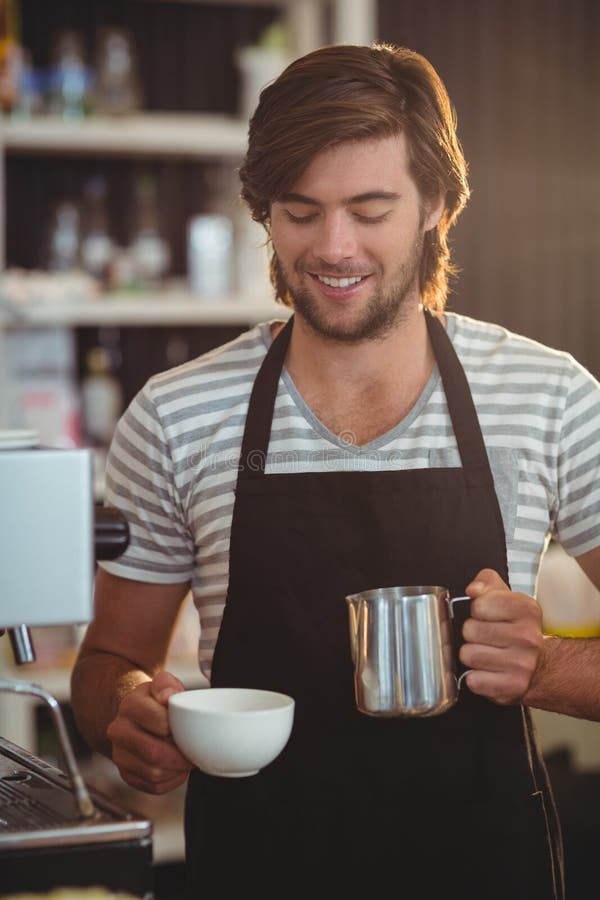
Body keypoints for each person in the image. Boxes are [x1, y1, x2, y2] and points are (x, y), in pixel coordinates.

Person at [70, 43, 600, 899]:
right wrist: (127, 711)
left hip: (481, 866)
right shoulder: (176, 415)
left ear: (435, 203)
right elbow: (106, 661)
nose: (333, 247)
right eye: (300, 211)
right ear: (264, 214)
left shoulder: (549, 399)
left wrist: (547, 669)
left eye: (369, 207)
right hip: (257, 868)